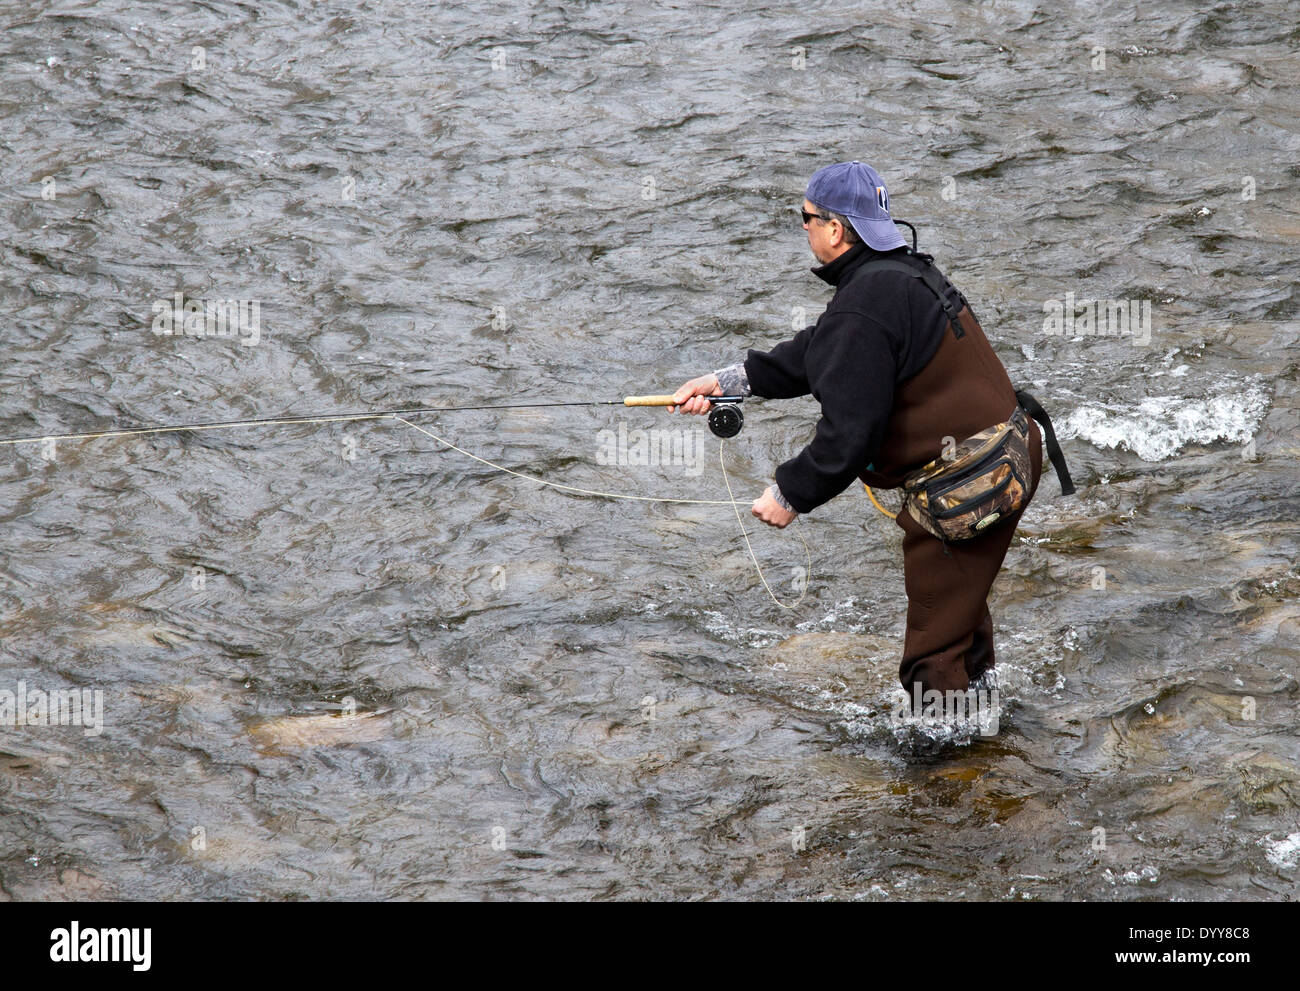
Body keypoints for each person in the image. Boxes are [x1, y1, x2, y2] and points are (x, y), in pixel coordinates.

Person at [670, 160, 1070, 698]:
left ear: (835, 229)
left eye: (806, 217)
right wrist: (732, 382)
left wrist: (789, 493)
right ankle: (984, 741)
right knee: (959, 618)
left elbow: (849, 433)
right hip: (1011, 454)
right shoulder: (897, 276)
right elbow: (826, 348)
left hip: (972, 481)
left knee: (931, 655)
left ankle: (946, 771)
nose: (804, 228)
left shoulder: (864, 305)